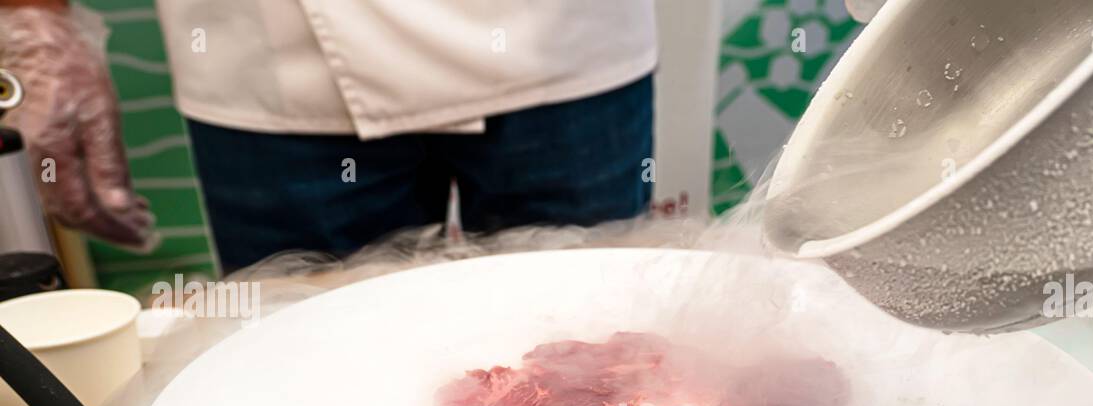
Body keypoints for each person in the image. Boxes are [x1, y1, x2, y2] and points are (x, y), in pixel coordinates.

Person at [0, 0, 657, 271]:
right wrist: (32, 14)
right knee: (300, 358)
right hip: (271, 46)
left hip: (559, 35)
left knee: (587, 347)